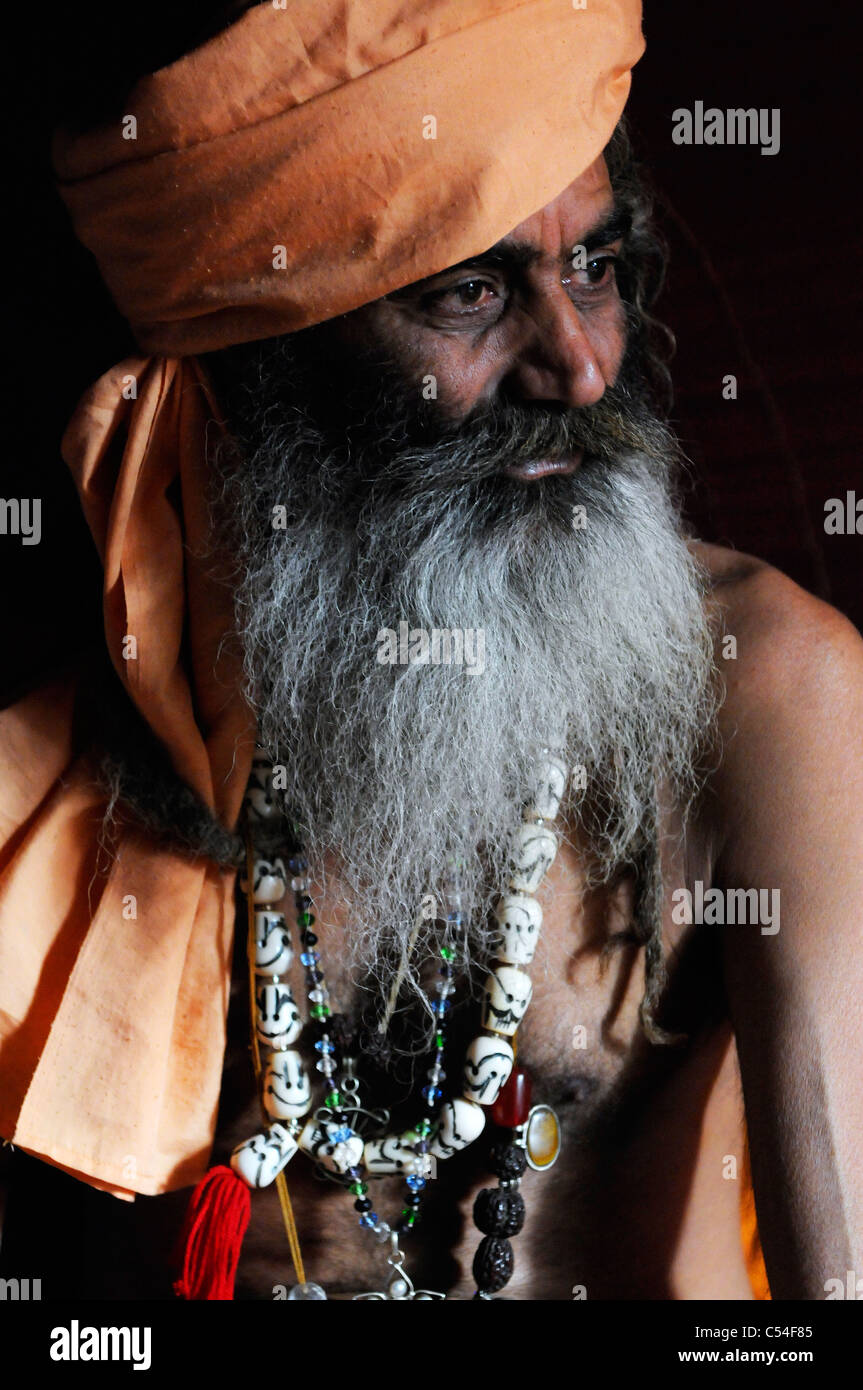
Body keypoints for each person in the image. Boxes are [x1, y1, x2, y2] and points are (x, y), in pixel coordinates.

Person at [1, 0, 861, 1301]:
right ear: (269, 365)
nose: (577, 363)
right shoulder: (67, 743)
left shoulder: (774, 687)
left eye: (598, 268)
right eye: (469, 291)